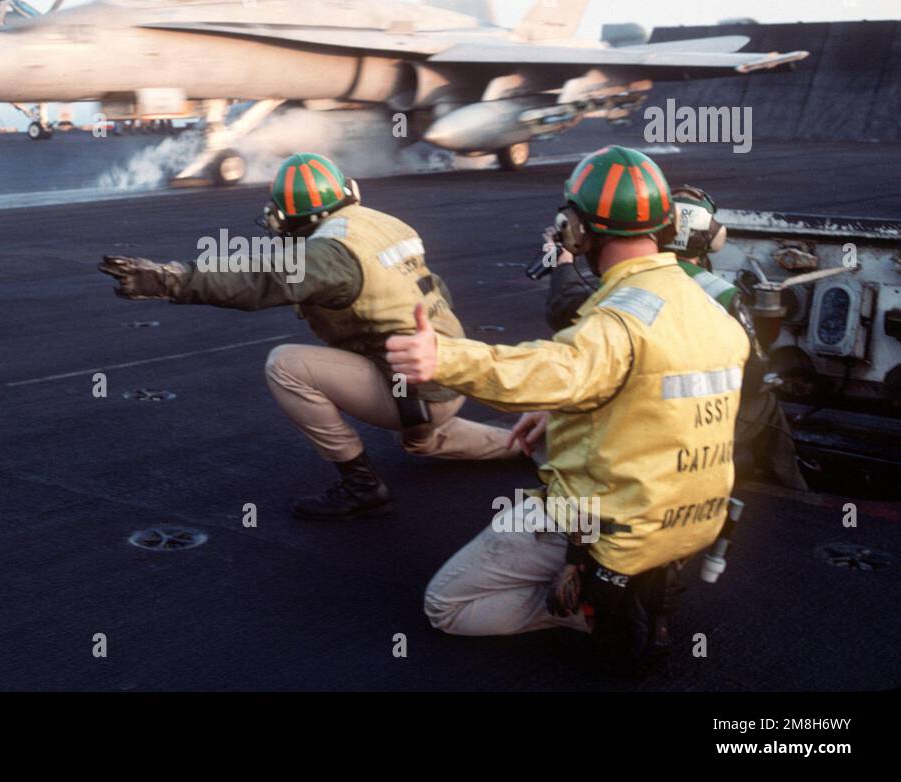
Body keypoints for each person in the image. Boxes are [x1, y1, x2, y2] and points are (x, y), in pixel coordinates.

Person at [386, 146, 750, 675]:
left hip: (607, 523)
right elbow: (649, 398)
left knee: (447, 605)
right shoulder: (713, 307)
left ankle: (593, 609)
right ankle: (640, 584)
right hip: (693, 518)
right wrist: (562, 416)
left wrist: (439, 357)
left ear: (575, 230)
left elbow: (549, 368)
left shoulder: (618, 320)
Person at [99, 152, 521, 520]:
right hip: (451, 368)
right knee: (421, 442)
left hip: (416, 387)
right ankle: (523, 442)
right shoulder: (383, 223)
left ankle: (362, 487)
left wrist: (171, 280)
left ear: (293, 218)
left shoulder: (328, 254)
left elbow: (258, 280)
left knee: (286, 365)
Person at [541, 184, 805, 490]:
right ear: (711, 237)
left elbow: (564, 309)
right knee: (765, 402)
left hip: (629, 423)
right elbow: (752, 375)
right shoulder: (723, 293)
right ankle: (796, 494)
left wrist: (560, 263)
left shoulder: (621, 282)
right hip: (692, 425)